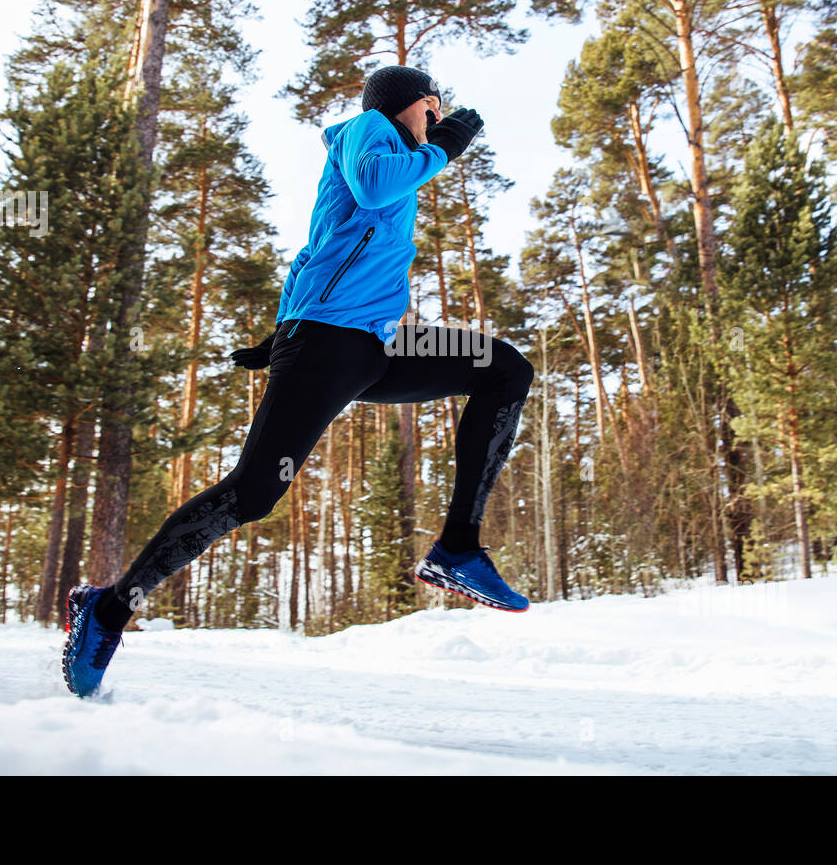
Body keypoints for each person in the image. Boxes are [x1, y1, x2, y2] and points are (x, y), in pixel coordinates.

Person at [63, 65, 534, 698]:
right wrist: (447, 145)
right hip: (330, 342)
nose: (435, 119)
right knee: (253, 493)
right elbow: (371, 187)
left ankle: (458, 548)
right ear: (411, 104)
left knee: (503, 368)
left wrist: (277, 329)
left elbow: (318, 248)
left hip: (373, 343)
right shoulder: (367, 132)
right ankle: (109, 610)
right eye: (432, 108)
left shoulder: (398, 154)